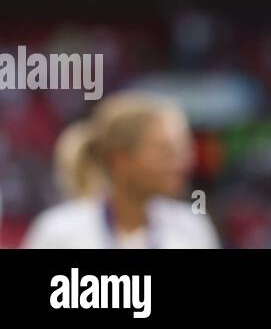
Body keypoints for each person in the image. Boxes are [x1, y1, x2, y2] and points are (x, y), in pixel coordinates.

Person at [22, 91, 220, 248]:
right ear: (121, 159)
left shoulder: (193, 229)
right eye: (165, 152)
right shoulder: (58, 233)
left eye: (182, 151)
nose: (183, 162)